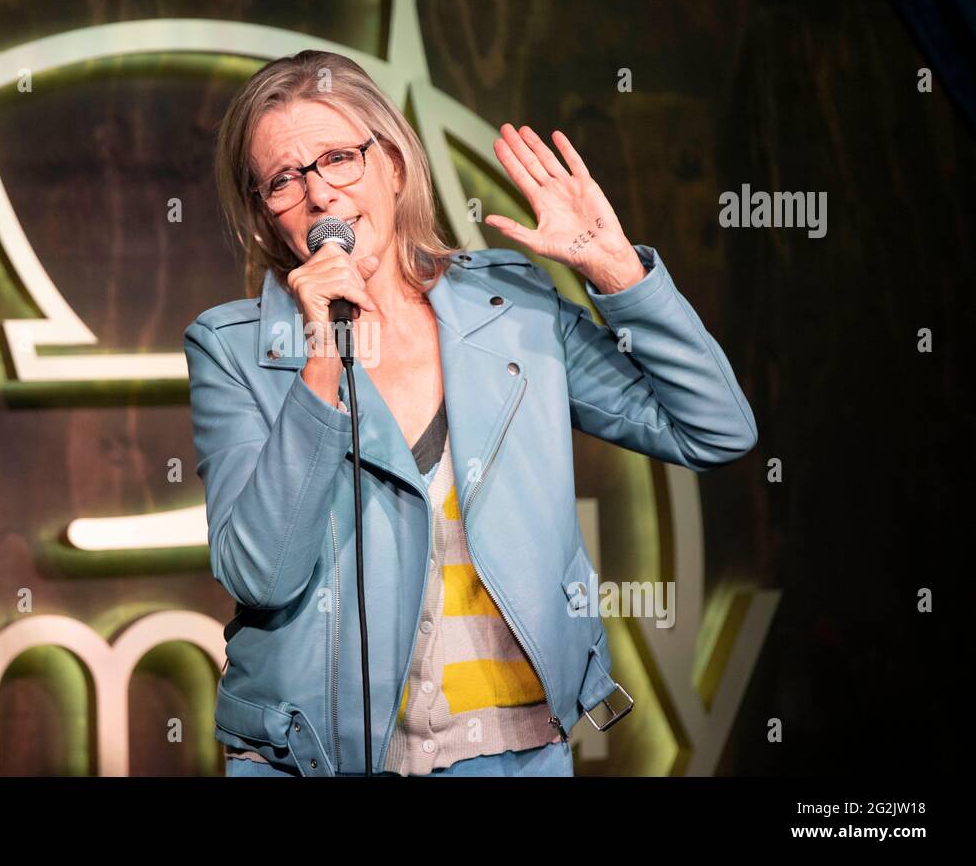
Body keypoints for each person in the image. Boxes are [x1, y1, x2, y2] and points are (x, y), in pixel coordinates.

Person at [184, 50, 757, 777]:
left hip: (513, 755)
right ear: (264, 211)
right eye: (284, 180)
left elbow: (716, 428)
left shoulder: (510, 308)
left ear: (392, 163)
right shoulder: (233, 348)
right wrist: (320, 358)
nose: (320, 194)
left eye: (338, 158)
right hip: (317, 762)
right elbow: (260, 575)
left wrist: (617, 272)